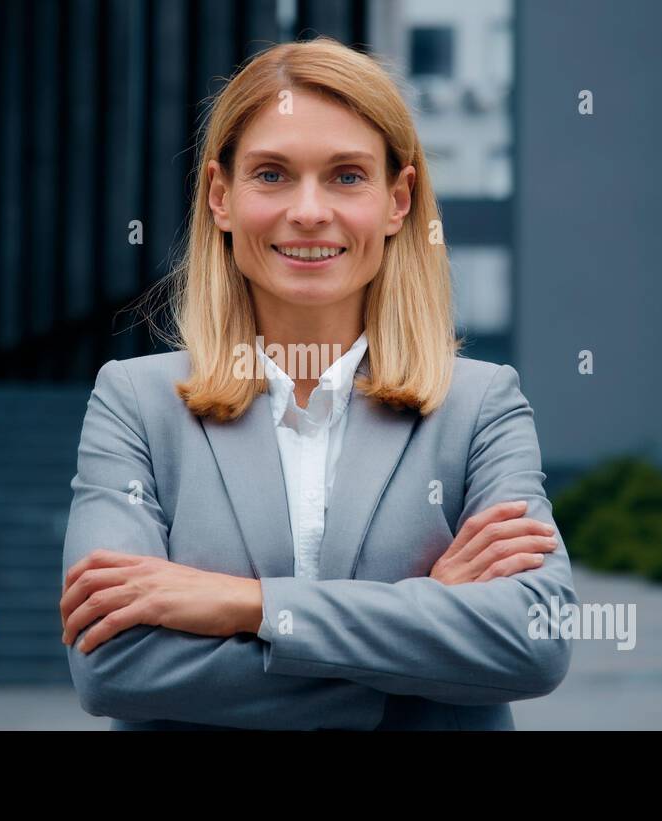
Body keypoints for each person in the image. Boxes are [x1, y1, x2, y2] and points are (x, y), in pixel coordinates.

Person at [59, 36, 578, 730]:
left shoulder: (480, 405)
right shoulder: (135, 403)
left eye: (346, 176)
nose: (308, 210)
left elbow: (534, 641)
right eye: (271, 175)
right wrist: (419, 643)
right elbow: (111, 664)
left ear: (399, 201)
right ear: (220, 196)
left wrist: (249, 605)